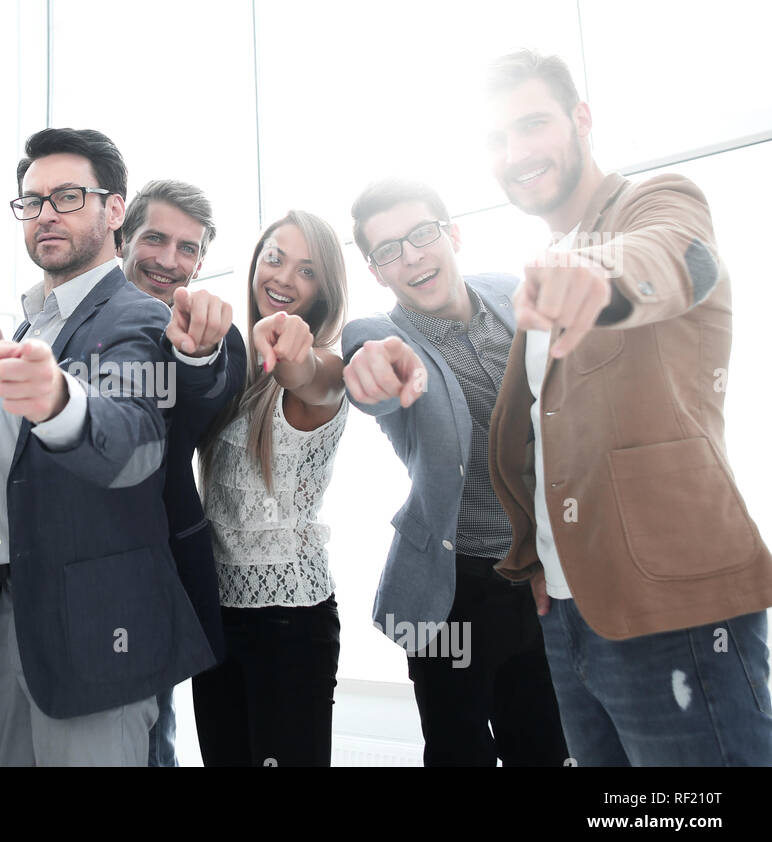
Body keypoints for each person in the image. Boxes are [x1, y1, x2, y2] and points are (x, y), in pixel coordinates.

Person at [484, 49, 772, 765]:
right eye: (497, 140)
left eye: (532, 125)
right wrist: (540, 559)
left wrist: (596, 274)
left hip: (674, 613)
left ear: (581, 120)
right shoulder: (544, 267)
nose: (515, 153)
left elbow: (678, 256)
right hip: (570, 618)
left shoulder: (657, 204)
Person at [0, 127, 215, 766]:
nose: (45, 214)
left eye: (67, 196)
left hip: (98, 631)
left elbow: (134, 441)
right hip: (11, 618)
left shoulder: (137, 316)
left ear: (115, 210)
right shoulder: (34, 323)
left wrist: (60, 400)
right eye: (31, 201)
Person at [341, 177, 567, 766]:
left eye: (420, 234)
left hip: (541, 574)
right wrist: (378, 372)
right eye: (388, 250)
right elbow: (373, 375)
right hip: (454, 587)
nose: (411, 256)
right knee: (457, 750)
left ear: (452, 234)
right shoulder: (379, 336)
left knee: (546, 741)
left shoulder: (510, 293)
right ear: (376, 272)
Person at [192, 209, 349, 766]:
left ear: (324, 292)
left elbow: (311, 377)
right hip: (217, 613)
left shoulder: (324, 365)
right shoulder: (234, 370)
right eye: (275, 257)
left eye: (306, 271)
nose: (282, 278)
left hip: (289, 621)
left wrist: (297, 356)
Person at [118, 178, 245, 767]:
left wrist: (196, 354)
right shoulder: (57, 318)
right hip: (43, 572)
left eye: (188, 248)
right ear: (123, 236)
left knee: (147, 732)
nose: (169, 261)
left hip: (156, 572)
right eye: (156, 239)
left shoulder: (211, 333)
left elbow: (205, 397)